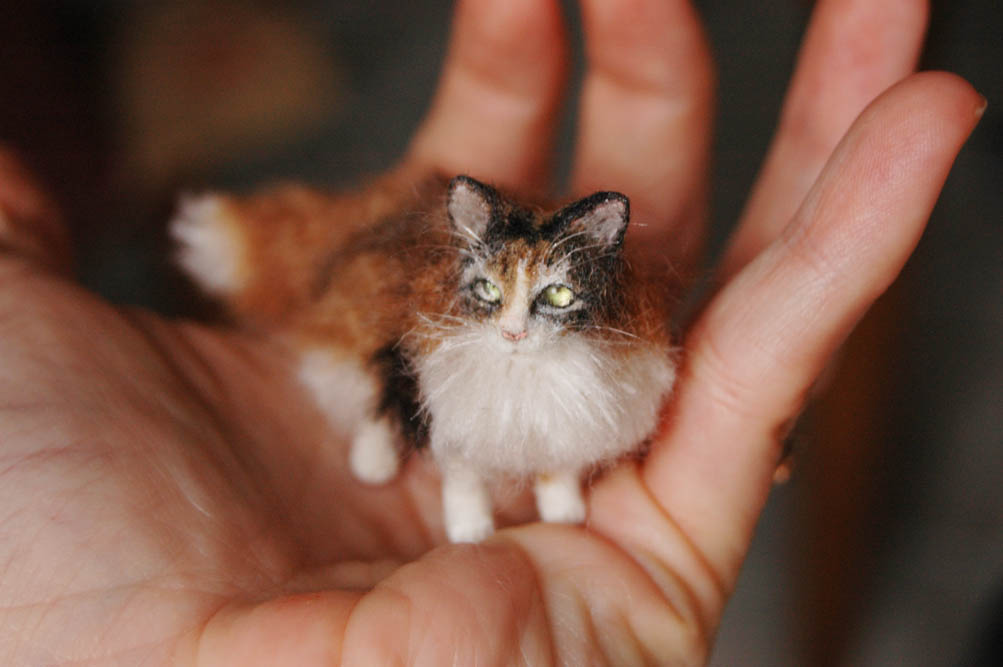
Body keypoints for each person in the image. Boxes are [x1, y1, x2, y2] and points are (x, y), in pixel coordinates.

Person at [0, 0, 984, 663]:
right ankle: (384, 416)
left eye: (545, 301)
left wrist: (561, 472)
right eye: (495, 297)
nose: (513, 326)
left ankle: (540, 472)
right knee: (420, 401)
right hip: (413, 392)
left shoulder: (609, 333)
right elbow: (450, 405)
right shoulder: (447, 313)